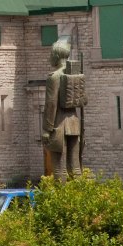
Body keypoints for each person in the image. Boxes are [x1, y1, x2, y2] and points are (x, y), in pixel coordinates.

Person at [41, 38, 84, 180]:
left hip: (59, 125)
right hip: (74, 123)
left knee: (58, 166)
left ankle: (63, 197)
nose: (49, 58)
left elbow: (51, 104)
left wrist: (47, 129)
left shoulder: (54, 77)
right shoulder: (75, 73)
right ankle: (79, 193)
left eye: (50, 55)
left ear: (56, 56)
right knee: (75, 166)